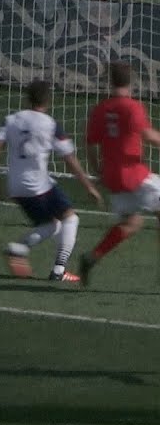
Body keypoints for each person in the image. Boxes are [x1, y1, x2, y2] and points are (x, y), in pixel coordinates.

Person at [0, 80, 103, 281]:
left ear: (27, 98)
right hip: (38, 186)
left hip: (15, 186)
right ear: (48, 100)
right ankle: (59, 269)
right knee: (70, 218)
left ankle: (18, 248)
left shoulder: (11, 119)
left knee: (51, 226)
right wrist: (89, 186)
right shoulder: (50, 124)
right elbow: (70, 159)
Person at [80, 61, 160, 287]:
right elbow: (149, 136)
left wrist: (98, 172)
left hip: (113, 178)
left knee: (132, 223)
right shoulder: (132, 107)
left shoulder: (101, 109)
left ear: (110, 81)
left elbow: (90, 145)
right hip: (135, 173)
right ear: (131, 82)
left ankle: (92, 256)